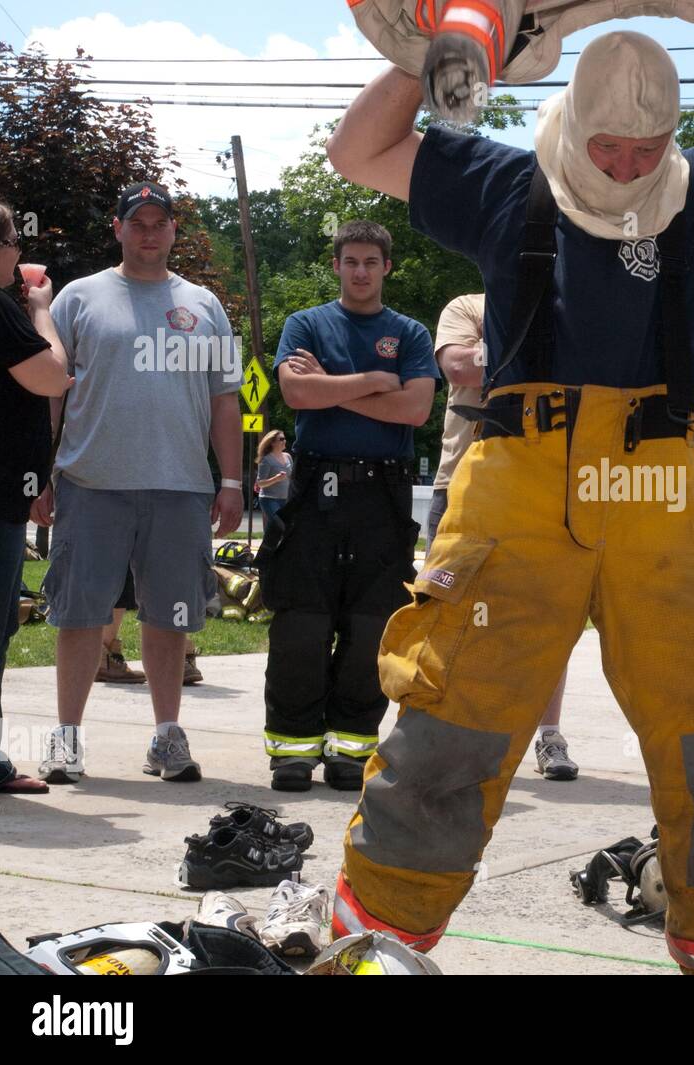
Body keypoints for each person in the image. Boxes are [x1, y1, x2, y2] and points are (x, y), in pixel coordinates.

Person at [325, 20, 694, 973]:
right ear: (570, 126)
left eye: (646, 149)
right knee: (449, 733)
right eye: (607, 147)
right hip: (516, 484)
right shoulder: (503, 180)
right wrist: (440, 46)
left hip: (661, 477)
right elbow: (357, 150)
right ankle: (373, 949)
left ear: (674, 138)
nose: (625, 166)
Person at [32, 181, 242, 785]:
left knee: (170, 616)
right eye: (138, 223)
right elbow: (51, 393)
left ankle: (167, 737)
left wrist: (230, 480)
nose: (150, 233)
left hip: (180, 486)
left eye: (160, 222)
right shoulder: (78, 298)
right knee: (78, 614)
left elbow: (224, 398)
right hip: (90, 482)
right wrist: (43, 473)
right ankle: (66, 738)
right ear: (119, 229)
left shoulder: (204, 304)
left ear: (174, 230)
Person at [259, 219, 437, 792]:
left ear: (387, 267)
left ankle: (350, 748)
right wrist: (373, 382)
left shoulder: (409, 333)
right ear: (335, 265)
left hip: (383, 492)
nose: (360, 271)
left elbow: (415, 410)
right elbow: (295, 393)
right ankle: (292, 749)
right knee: (301, 622)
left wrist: (334, 387)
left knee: (371, 625)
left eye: (371, 262)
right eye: (350, 261)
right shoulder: (305, 324)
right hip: (314, 487)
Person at [432, 292, 577, 780]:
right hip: (461, 484)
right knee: (451, 617)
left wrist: (500, 351)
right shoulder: (468, 307)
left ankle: (548, 737)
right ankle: (450, 735)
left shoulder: (565, 303)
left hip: (545, 485)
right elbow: (459, 369)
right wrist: (538, 346)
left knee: (550, 618)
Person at [0, 196, 69, 810]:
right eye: (13, 242)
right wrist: (40, 309)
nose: (19, 254)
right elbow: (51, 376)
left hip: (2, 497)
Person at [254, 429, 293, 526]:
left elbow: (292, 477)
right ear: (272, 443)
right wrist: (276, 478)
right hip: (269, 499)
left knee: (282, 527)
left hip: (286, 499)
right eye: (281, 439)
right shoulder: (266, 459)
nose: (284, 441)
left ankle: (268, 541)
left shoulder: (288, 457)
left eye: (284, 439)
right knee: (279, 524)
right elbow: (260, 483)